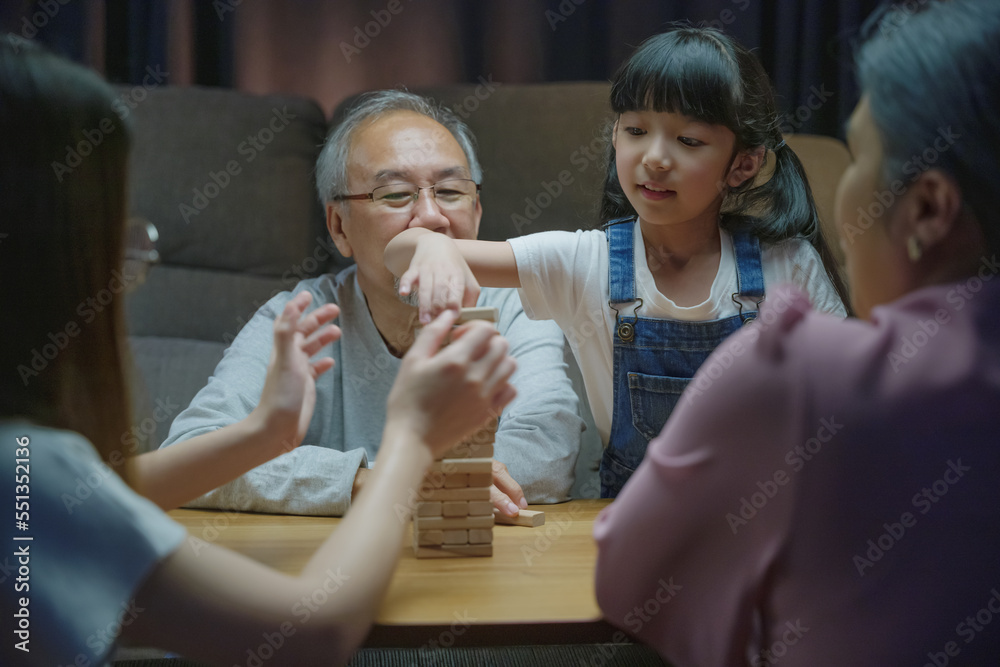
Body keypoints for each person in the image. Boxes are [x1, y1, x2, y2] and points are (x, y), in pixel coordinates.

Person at [0, 41, 517, 666]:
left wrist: (262, 437)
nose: (430, 220)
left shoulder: (31, 468)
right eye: (113, 229)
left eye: (450, 191)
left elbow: (100, 493)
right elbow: (311, 635)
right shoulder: (29, 466)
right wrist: (411, 441)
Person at [592, 1, 1000, 664]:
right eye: (634, 129)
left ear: (926, 208)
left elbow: (627, 582)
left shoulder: (795, 368)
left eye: (859, 158)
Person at [385, 27, 848, 497]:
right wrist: (432, 247)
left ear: (742, 164)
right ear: (614, 134)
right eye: (636, 131)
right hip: (629, 524)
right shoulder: (584, 261)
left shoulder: (789, 265)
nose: (654, 158)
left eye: (688, 141)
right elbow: (396, 252)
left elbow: (848, 402)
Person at [160, 90, 585, 517]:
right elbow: (191, 453)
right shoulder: (301, 318)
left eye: (451, 191)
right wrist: (384, 482)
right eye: (396, 194)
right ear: (339, 227)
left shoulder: (521, 307)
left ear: (476, 212)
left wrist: (433, 482)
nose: (432, 217)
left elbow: (549, 452)